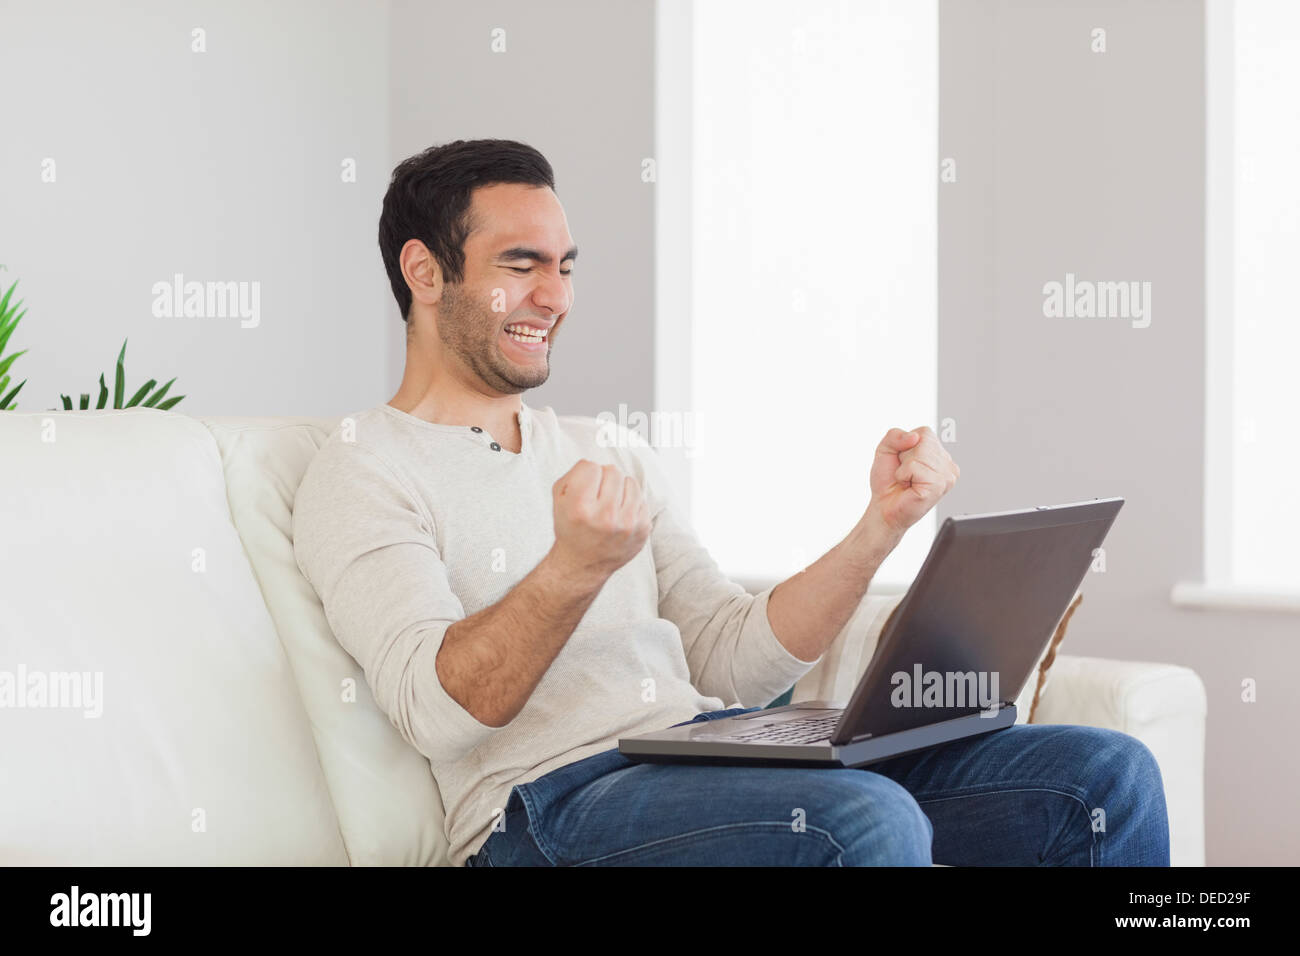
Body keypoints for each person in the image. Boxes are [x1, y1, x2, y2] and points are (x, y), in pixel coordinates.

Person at [291, 138, 1170, 867]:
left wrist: (880, 529)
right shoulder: (365, 467)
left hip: (701, 750)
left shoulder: (608, 446)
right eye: (519, 266)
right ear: (425, 271)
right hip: (546, 810)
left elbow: (730, 658)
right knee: (861, 821)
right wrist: (571, 571)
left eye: (563, 267)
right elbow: (437, 715)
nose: (554, 298)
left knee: (1103, 773)